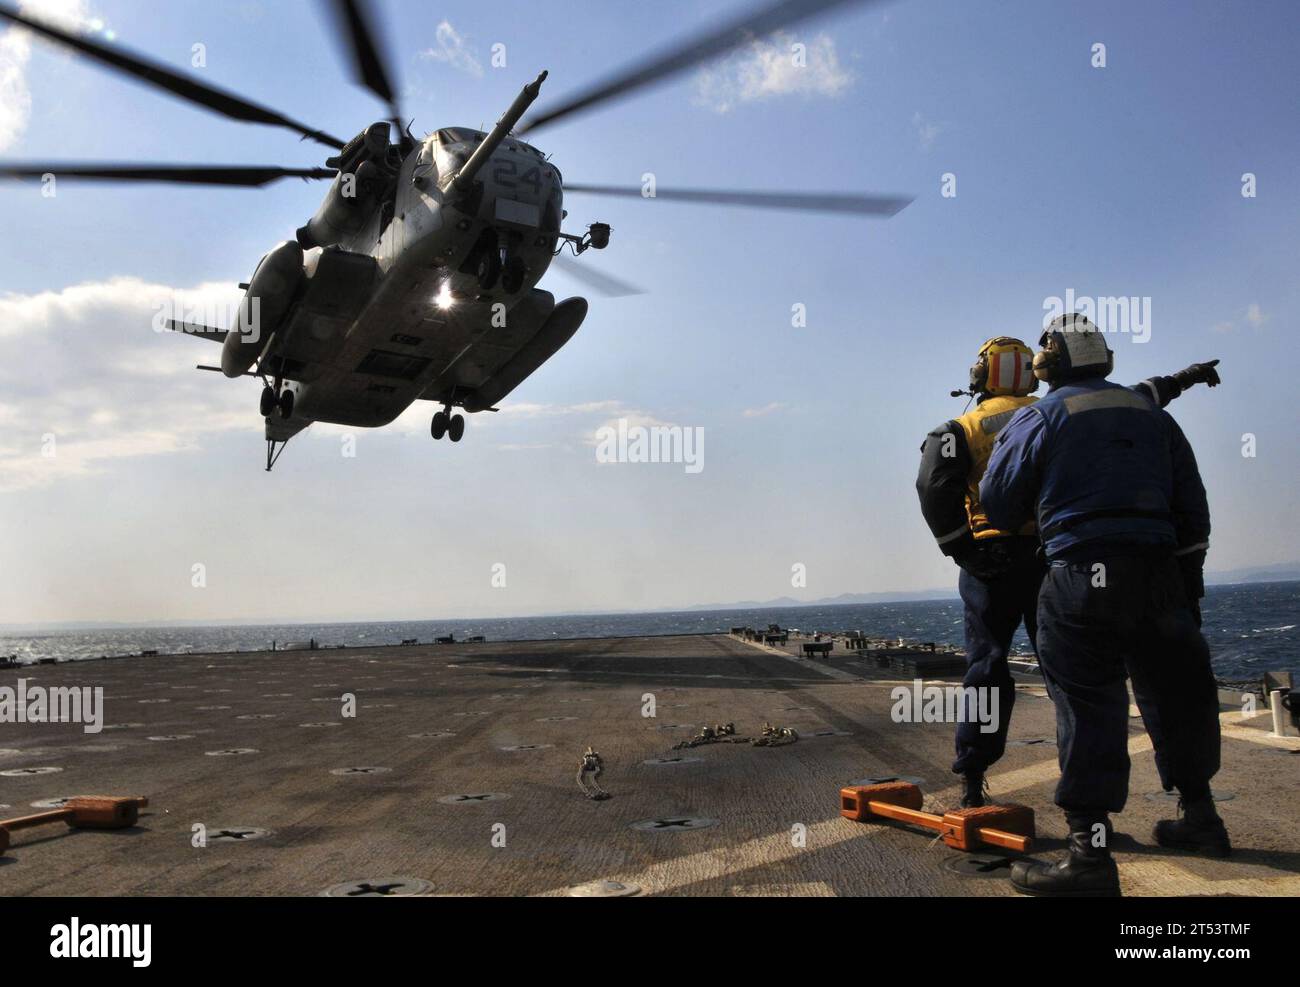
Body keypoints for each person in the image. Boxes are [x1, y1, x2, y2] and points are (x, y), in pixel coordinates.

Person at [979, 313, 1226, 897]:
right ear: (1106, 360)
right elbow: (1193, 511)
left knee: (1088, 706)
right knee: (1179, 694)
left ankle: (1089, 857)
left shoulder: (1039, 416)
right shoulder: (1152, 415)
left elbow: (997, 502)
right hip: (1162, 575)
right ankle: (1202, 818)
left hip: (1080, 578)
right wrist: (1185, 586)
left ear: (1048, 366)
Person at [916, 337, 1220, 809]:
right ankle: (1135, 803)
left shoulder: (961, 427)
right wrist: (1186, 377)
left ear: (980, 375)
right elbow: (1143, 393)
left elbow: (933, 488)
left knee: (987, 666)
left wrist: (963, 553)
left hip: (990, 563)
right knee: (1068, 681)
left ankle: (973, 778)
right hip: (1052, 557)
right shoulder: (1063, 406)